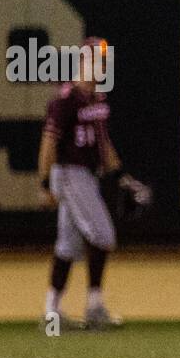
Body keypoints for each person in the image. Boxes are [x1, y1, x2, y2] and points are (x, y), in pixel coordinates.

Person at [37, 36, 141, 330]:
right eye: (97, 59)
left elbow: (103, 144)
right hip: (69, 173)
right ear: (83, 61)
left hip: (86, 175)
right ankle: (94, 307)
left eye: (104, 61)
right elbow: (48, 143)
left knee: (67, 245)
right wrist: (45, 183)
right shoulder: (66, 100)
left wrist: (121, 176)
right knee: (104, 235)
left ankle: (51, 312)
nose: (102, 65)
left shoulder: (96, 99)